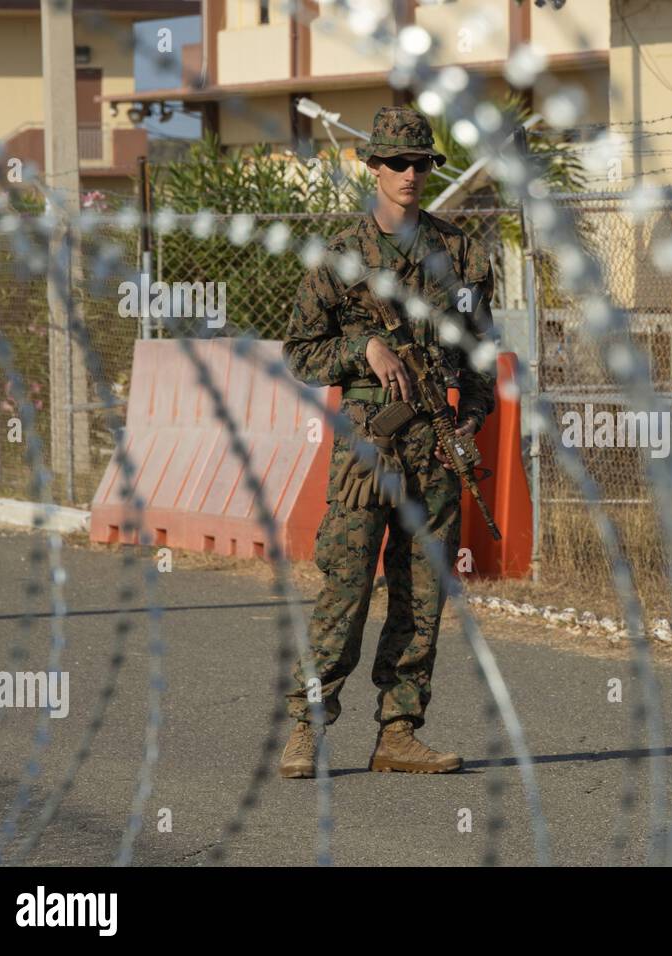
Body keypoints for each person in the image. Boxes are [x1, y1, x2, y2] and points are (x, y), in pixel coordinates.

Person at [278, 106, 497, 777]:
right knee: (345, 586)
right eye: (396, 163)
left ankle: (398, 731)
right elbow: (297, 352)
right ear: (371, 167)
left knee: (422, 590)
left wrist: (471, 418)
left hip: (433, 445)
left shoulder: (460, 254)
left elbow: (483, 356)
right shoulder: (341, 256)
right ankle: (306, 726)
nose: (409, 175)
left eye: (421, 164)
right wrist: (362, 346)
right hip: (368, 447)